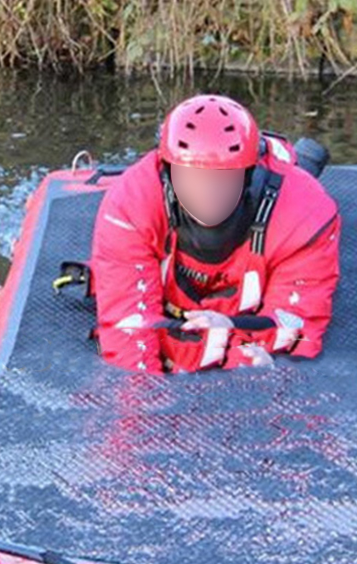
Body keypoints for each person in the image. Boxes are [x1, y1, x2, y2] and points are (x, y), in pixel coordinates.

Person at [89, 93, 341, 374]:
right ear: (168, 172)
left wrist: (255, 361)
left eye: (222, 178)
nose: (206, 193)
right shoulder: (129, 204)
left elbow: (298, 327)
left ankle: (294, 157)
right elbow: (126, 330)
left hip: (275, 229)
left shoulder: (306, 215)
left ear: (247, 174)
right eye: (192, 176)